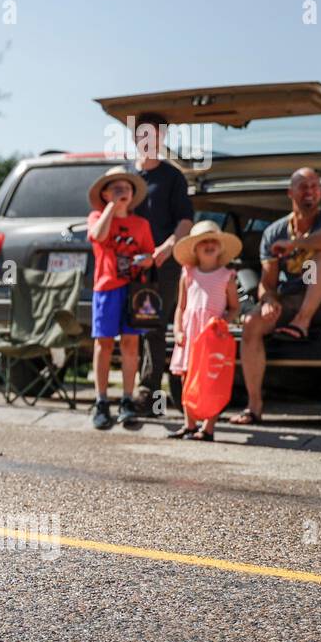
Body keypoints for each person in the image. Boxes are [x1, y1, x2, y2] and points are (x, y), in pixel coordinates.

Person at [234, 167, 321, 425]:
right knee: (251, 323)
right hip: (292, 298)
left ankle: (302, 323)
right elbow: (267, 283)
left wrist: (296, 245)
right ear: (291, 192)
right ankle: (254, 407)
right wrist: (269, 301)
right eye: (303, 186)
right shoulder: (274, 232)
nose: (310, 192)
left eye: (315, 186)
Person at [127, 113, 194, 415]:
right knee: (135, 327)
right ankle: (143, 389)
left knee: (155, 326)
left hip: (163, 264)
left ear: (162, 139)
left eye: (154, 135)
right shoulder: (126, 177)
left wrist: (167, 248)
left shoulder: (172, 176)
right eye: (142, 134)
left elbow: (185, 220)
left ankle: (150, 392)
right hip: (131, 265)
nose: (148, 140)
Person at [86, 166, 155, 431]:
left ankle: (127, 399)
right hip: (106, 288)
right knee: (103, 343)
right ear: (103, 193)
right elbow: (99, 236)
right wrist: (110, 209)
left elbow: (149, 256)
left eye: (126, 188)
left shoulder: (141, 224)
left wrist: (146, 259)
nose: (121, 191)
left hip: (133, 289)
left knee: (130, 344)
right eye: (115, 188)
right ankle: (101, 400)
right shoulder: (96, 217)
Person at [165, 221, 241, 441]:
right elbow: (181, 306)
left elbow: (234, 307)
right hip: (190, 334)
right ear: (195, 248)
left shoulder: (226, 276)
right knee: (186, 378)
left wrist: (222, 322)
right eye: (203, 241)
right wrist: (178, 330)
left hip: (211, 336)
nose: (208, 245)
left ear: (220, 247)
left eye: (212, 241)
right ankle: (189, 423)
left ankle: (208, 427)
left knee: (211, 378)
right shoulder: (188, 273)